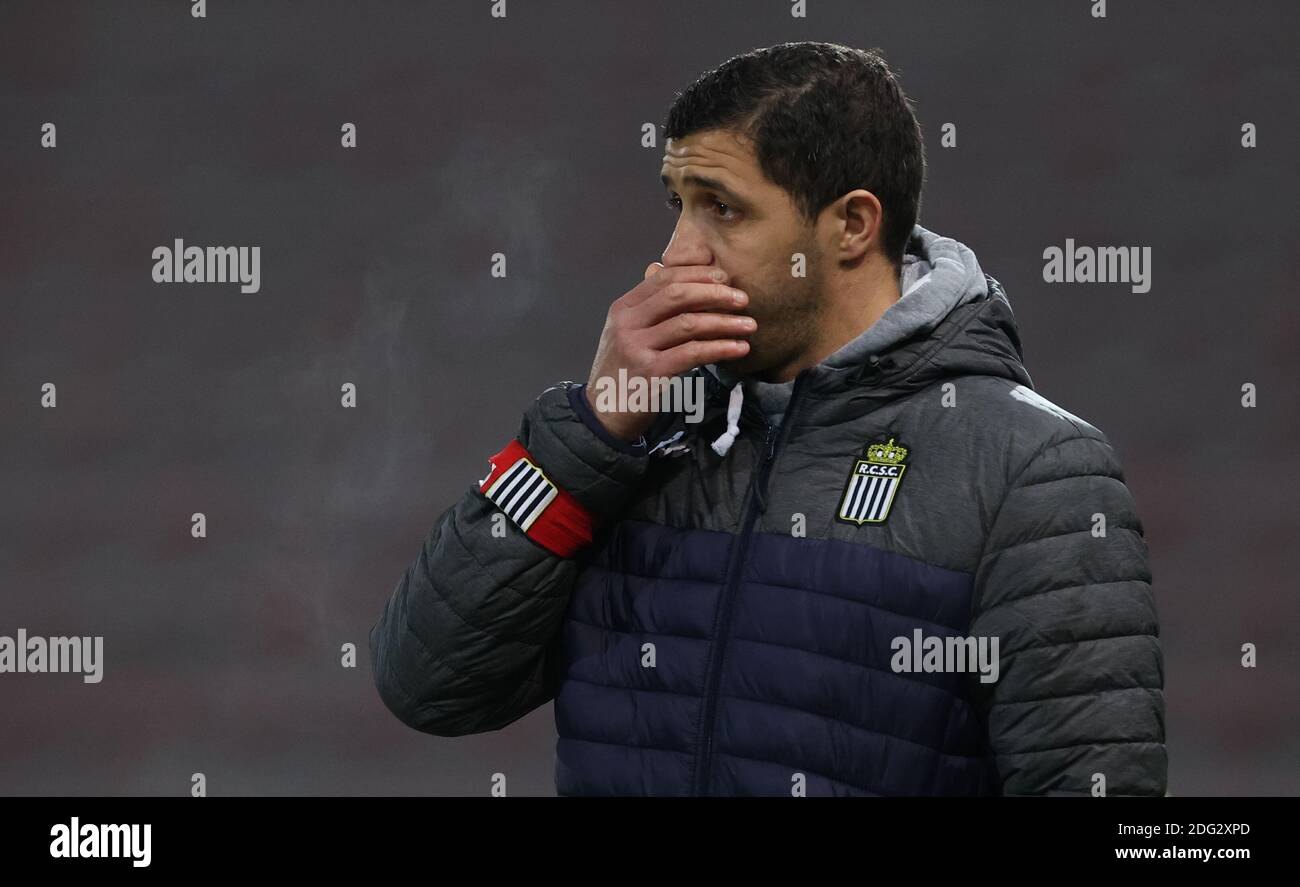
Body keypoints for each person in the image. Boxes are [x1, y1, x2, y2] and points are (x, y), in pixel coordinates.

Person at [369, 41, 1167, 796]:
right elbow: (428, 683)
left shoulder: (1032, 468)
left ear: (852, 224)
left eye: (722, 208)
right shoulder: (635, 442)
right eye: (678, 204)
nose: (676, 255)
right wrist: (584, 437)